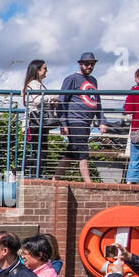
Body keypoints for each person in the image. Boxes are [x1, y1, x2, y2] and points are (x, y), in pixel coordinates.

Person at [58, 52, 108, 182]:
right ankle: (89, 183)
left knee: (71, 153)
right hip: (75, 120)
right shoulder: (71, 79)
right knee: (83, 152)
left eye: (92, 64)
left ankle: (54, 180)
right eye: (86, 64)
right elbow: (62, 101)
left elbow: (97, 103)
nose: (89, 66)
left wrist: (102, 121)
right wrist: (63, 123)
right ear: (80, 64)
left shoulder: (93, 81)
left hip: (87, 123)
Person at [20, 60, 49, 177]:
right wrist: (51, 98)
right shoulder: (33, 84)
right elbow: (35, 100)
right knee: (40, 152)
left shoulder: (38, 84)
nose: (46, 71)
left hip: (40, 121)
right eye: (45, 68)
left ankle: (37, 175)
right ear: (37, 70)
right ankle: (15, 170)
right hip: (34, 121)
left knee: (42, 152)